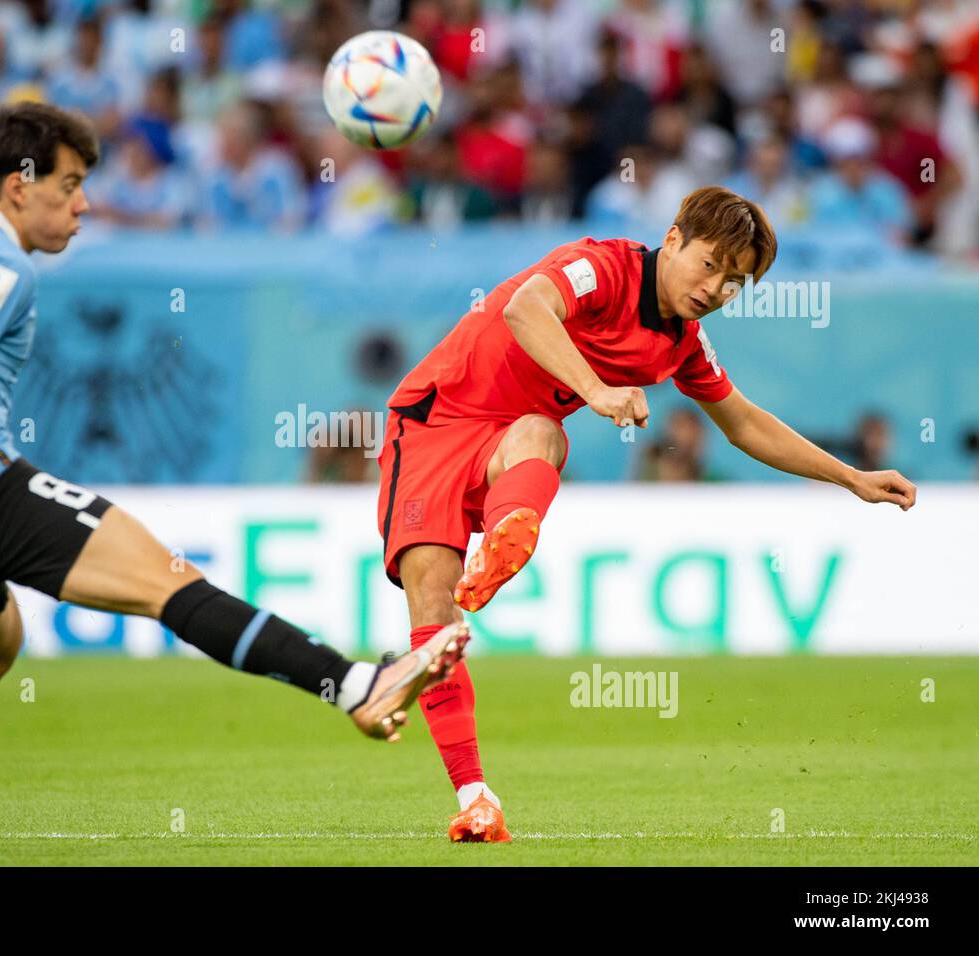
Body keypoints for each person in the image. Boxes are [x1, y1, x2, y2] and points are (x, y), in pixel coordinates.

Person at [0, 102, 468, 866]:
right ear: (19, 185)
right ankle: (352, 684)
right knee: (166, 581)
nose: (82, 205)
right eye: (70, 184)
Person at [375, 186, 917, 843]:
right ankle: (476, 796)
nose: (716, 288)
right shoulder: (601, 267)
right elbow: (527, 308)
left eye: (736, 282)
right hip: (435, 422)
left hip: (509, 439)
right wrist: (599, 390)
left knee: (543, 434)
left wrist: (851, 476)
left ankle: (504, 543)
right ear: (674, 237)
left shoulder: (684, 344)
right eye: (710, 264)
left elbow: (743, 423)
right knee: (435, 617)